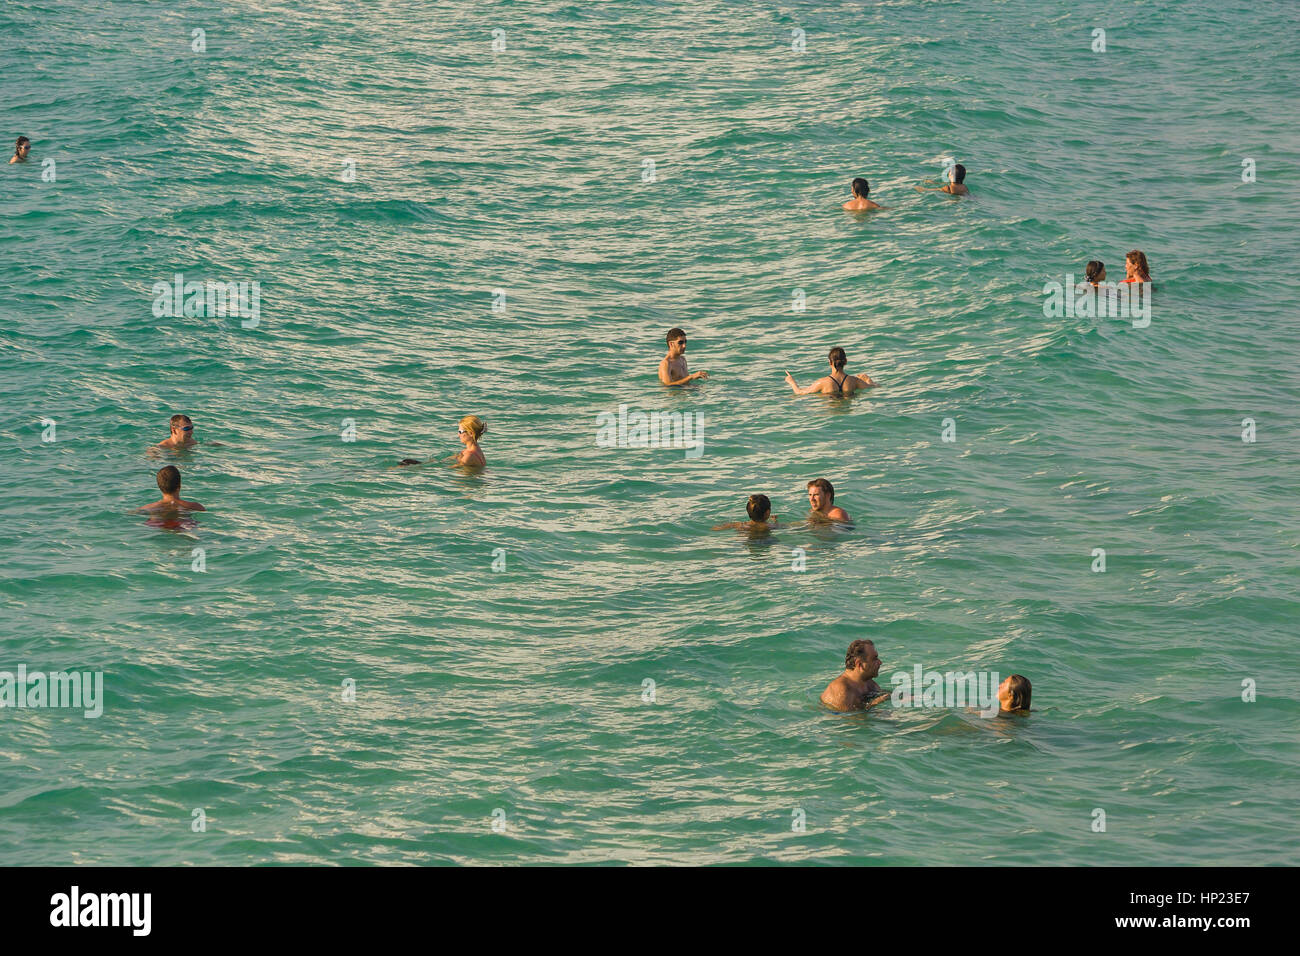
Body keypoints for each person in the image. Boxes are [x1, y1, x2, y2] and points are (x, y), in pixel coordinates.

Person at [820, 639, 889, 711]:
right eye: (874, 659)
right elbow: (849, 719)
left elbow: (884, 695)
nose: (880, 662)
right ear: (859, 663)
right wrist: (873, 704)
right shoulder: (841, 690)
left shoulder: (869, 684)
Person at [785, 347, 876, 396]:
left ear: (830, 362)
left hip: (830, 414)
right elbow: (874, 387)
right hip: (848, 410)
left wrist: (791, 381)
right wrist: (868, 379)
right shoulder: (854, 381)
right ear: (846, 361)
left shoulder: (822, 382)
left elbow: (799, 392)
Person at [139, 465, 205, 512]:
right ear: (179, 486)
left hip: (158, 525)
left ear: (160, 487)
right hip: (182, 525)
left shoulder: (148, 508)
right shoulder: (196, 507)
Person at [712, 493, 778, 531]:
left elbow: (715, 528)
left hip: (746, 540)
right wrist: (775, 521)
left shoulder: (739, 524)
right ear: (767, 512)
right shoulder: (769, 526)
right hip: (764, 542)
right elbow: (787, 526)